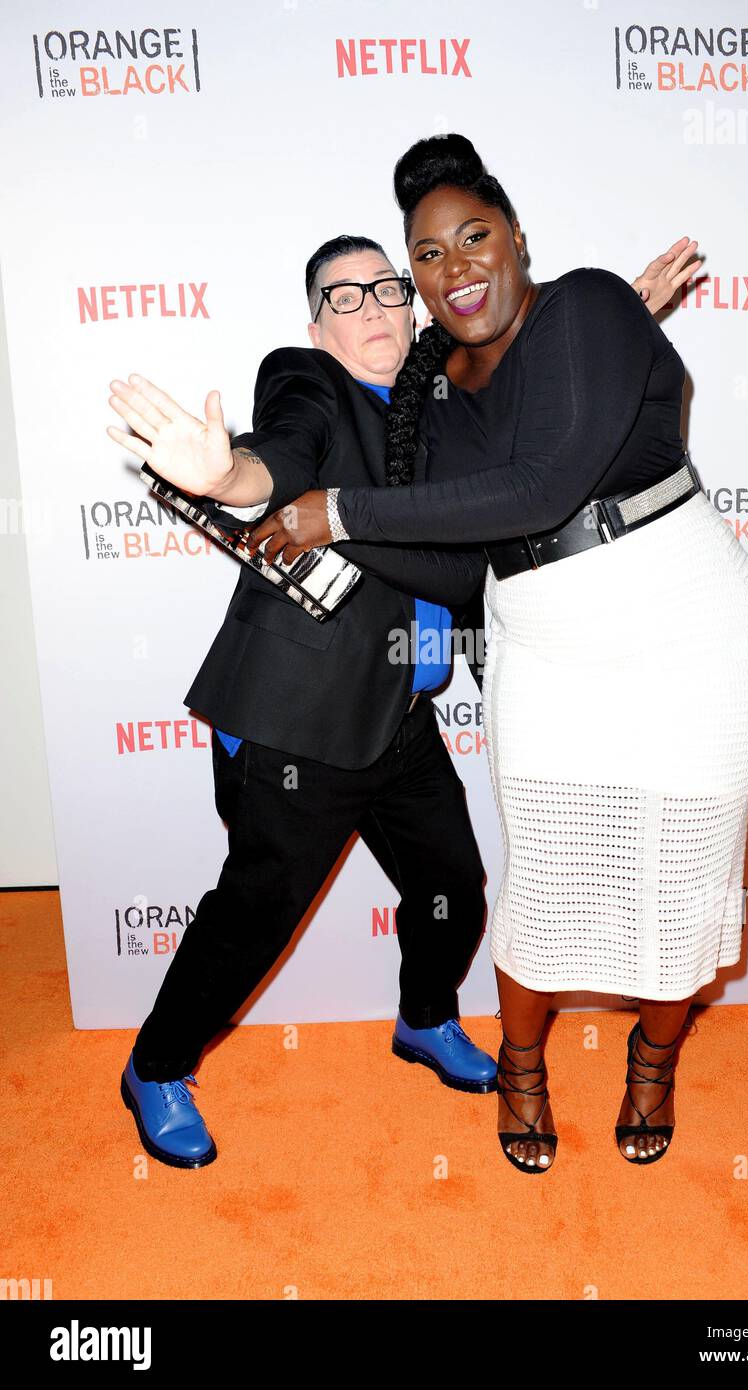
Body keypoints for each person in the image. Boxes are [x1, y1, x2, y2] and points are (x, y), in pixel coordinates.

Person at [263, 133, 748, 1175]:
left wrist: (339, 511)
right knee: (543, 884)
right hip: (546, 658)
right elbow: (463, 570)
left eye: (473, 235)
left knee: (680, 882)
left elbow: (544, 488)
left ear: (517, 239)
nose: (454, 267)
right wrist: (323, 518)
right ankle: (522, 1064)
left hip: (690, 637)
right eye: (429, 255)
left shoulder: (589, 304)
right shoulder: (439, 394)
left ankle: (652, 1057)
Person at [107, 236, 495, 1168]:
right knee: (253, 915)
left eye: (386, 290)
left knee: (452, 892)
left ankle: (424, 1019)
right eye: (343, 296)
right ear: (317, 326)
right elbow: (273, 461)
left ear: (413, 307)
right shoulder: (310, 383)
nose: (371, 308)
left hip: (401, 716)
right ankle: (155, 1067)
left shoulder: (443, 408)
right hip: (299, 719)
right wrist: (224, 475)